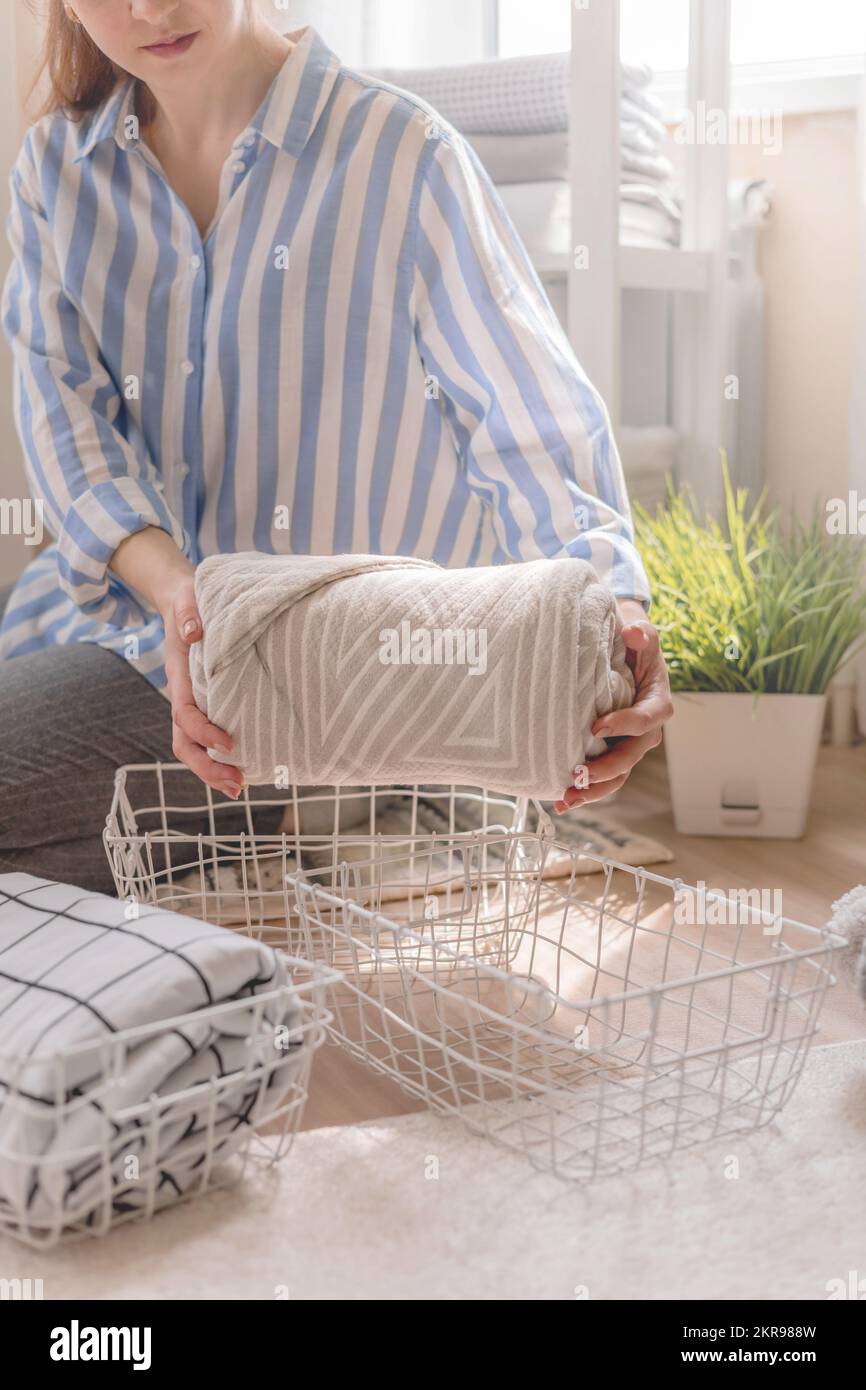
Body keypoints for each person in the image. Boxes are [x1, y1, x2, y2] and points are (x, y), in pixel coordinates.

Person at [0, 1, 672, 893]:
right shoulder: (55, 171)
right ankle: (275, 838)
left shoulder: (404, 156)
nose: (151, 9)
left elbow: (531, 428)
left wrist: (617, 615)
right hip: (123, 627)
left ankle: (314, 805)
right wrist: (179, 597)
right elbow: (68, 429)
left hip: (317, 684)